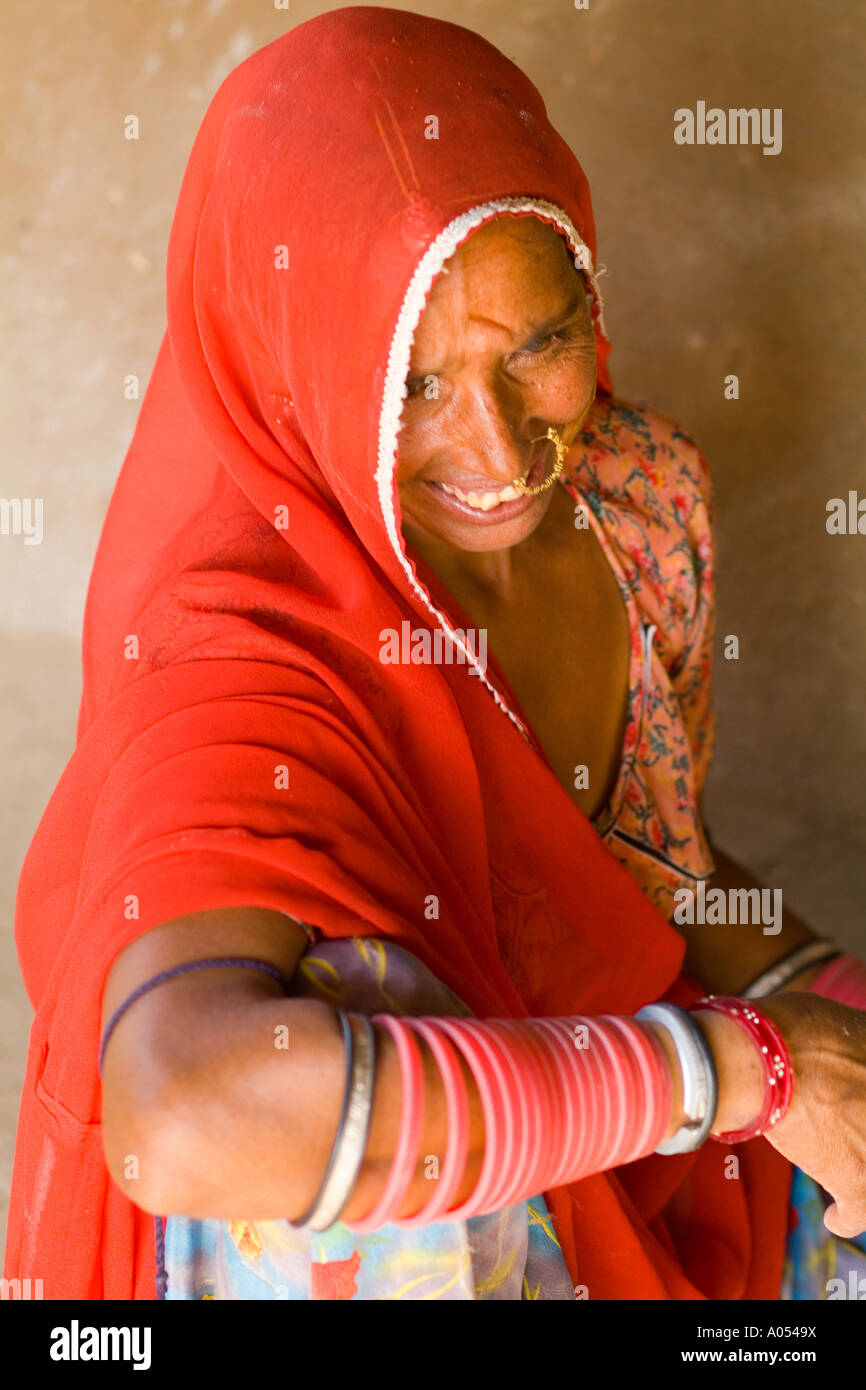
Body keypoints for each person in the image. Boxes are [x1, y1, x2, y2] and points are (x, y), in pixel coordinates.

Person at [5, 7, 866, 1302]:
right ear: (297, 366)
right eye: (408, 387)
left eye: (540, 345)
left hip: (631, 1124)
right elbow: (182, 1110)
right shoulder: (235, 648)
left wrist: (837, 1022)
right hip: (463, 1209)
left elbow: (653, 869)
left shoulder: (635, 501)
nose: (502, 449)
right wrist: (752, 1066)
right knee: (338, 1088)